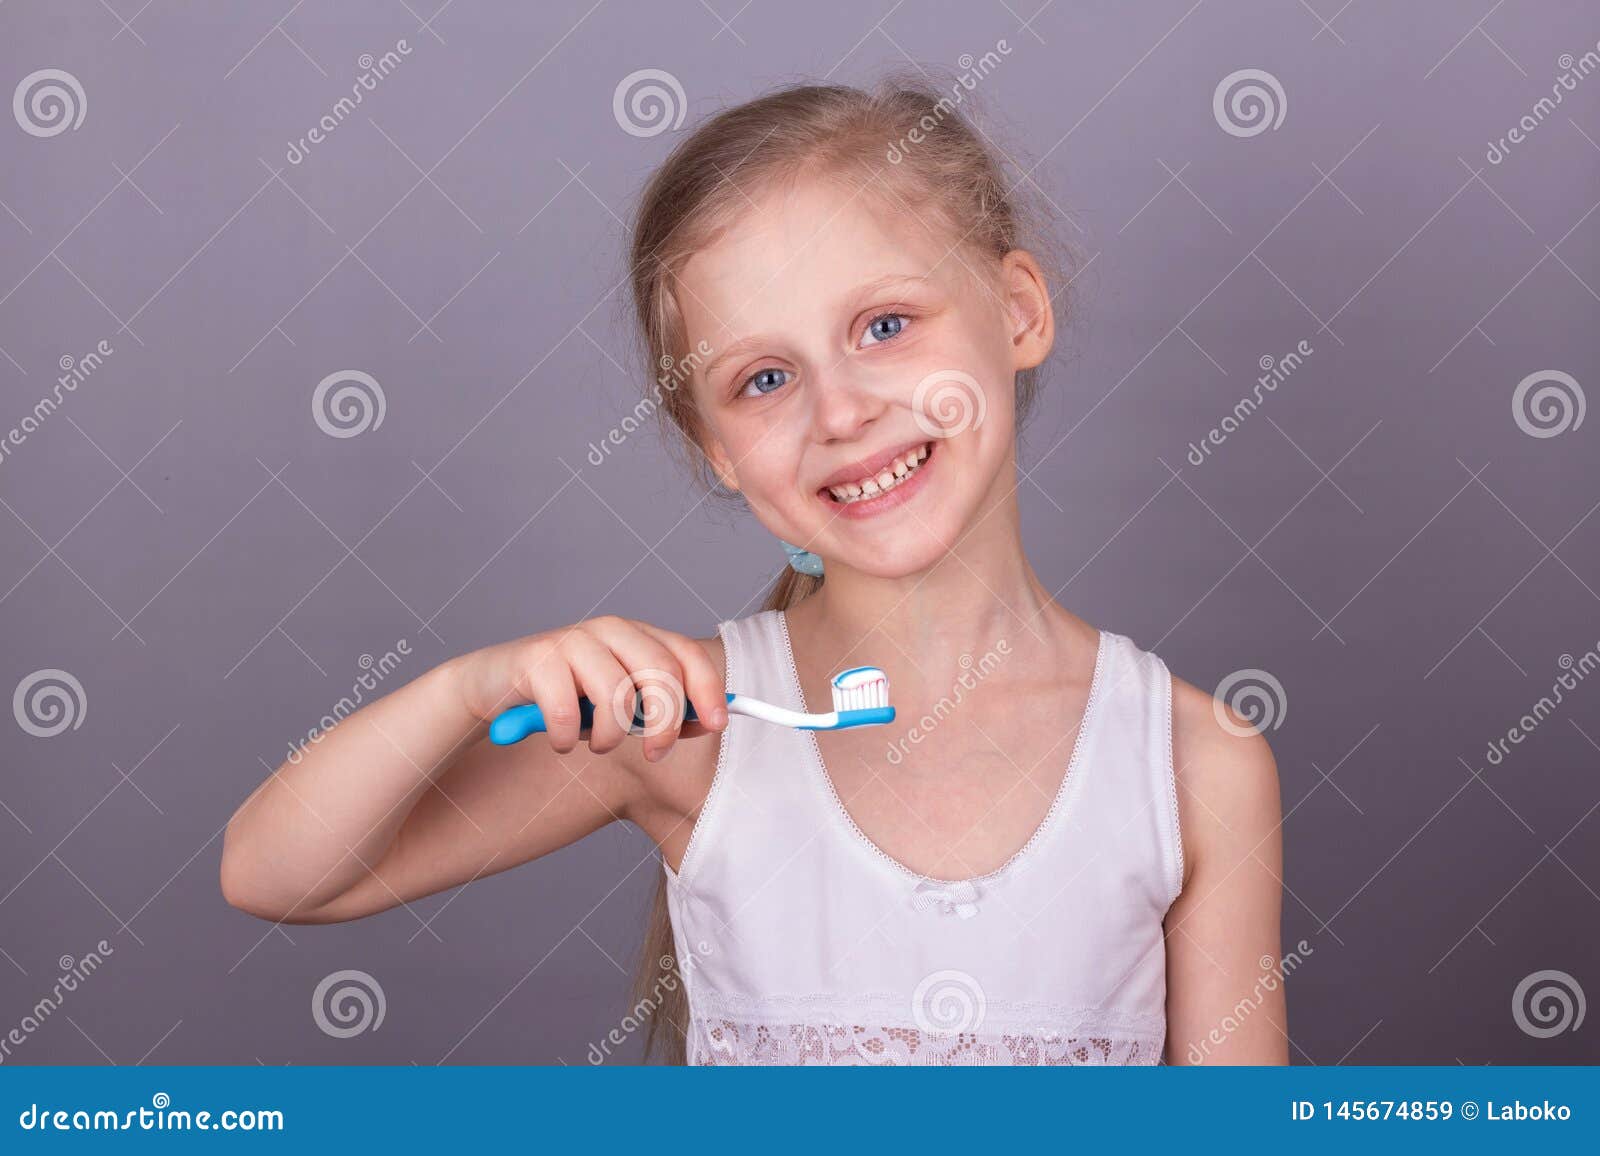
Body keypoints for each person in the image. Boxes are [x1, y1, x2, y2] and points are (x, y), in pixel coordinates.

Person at [221, 77, 1287, 1066]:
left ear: (1017, 311)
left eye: (884, 325)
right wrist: (475, 685)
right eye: (764, 377)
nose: (840, 412)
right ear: (717, 449)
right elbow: (274, 871)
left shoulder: (1194, 762)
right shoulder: (689, 726)